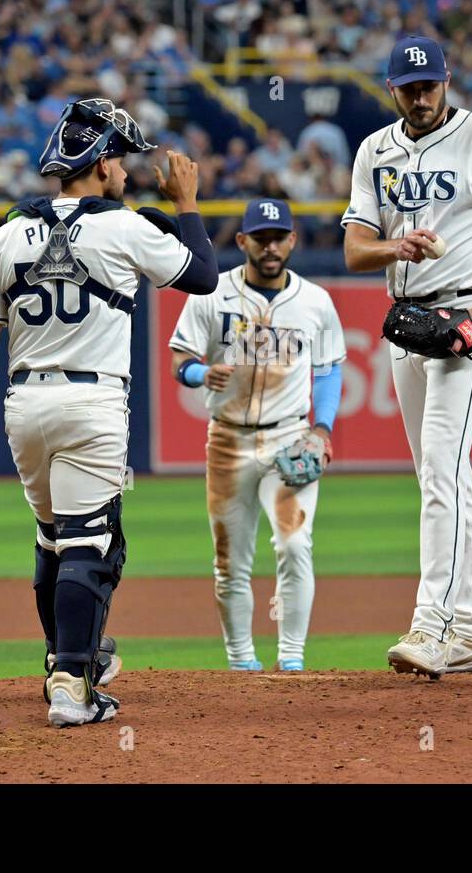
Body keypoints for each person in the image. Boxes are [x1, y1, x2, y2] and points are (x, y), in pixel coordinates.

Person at [0, 99, 218, 727]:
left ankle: (70, 656)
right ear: (99, 163)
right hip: (91, 401)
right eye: (118, 158)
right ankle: (71, 683)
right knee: (92, 542)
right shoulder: (122, 226)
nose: (126, 170)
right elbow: (202, 277)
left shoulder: (8, 234)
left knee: (55, 538)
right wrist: (188, 205)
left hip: (23, 406)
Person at [342, 35, 472, 678]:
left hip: (465, 320)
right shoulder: (375, 149)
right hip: (408, 324)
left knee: (439, 468)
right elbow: (353, 250)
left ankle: (432, 625)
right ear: (391, 88)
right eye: (410, 86)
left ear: (448, 80)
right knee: (447, 476)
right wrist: (396, 249)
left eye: (431, 84)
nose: (422, 95)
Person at [169, 197, 346, 672]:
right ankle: (241, 664)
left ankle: (291, 659)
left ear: (292, 240)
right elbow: (179, 361)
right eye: (260, 238)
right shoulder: (210, 293)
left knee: (293, 545)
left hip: (290, 437)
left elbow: (329, 371)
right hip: (227, 441)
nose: (270, 247)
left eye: (278, 237)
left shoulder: (315, 301)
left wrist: (323, 429)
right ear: (243, 240)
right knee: (230, 563)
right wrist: (198, 375)